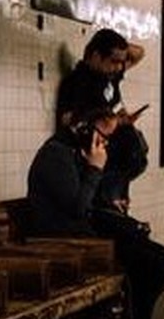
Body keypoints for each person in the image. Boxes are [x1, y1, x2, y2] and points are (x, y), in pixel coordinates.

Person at [26, 106, 164, 319]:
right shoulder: (55, 155)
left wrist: (109, 201)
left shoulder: (75, 151)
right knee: (151, 265)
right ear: (84, 128)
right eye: (103, 136)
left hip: (84, 234)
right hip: (62, 240)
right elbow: (77, 208)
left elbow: (88, 200)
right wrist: (95, 168)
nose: (105, 143)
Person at [55, 27, 149, 212]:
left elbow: (139, 53)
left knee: (119, 210)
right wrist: (111, 121)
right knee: (106, 211)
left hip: (120, 163)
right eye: (114, 61)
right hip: (100, 161)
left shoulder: (110, 75)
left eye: (121, 62)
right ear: (96, 56)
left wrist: (119, 47)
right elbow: (67, 120)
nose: (119, 67)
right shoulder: (78, 82)